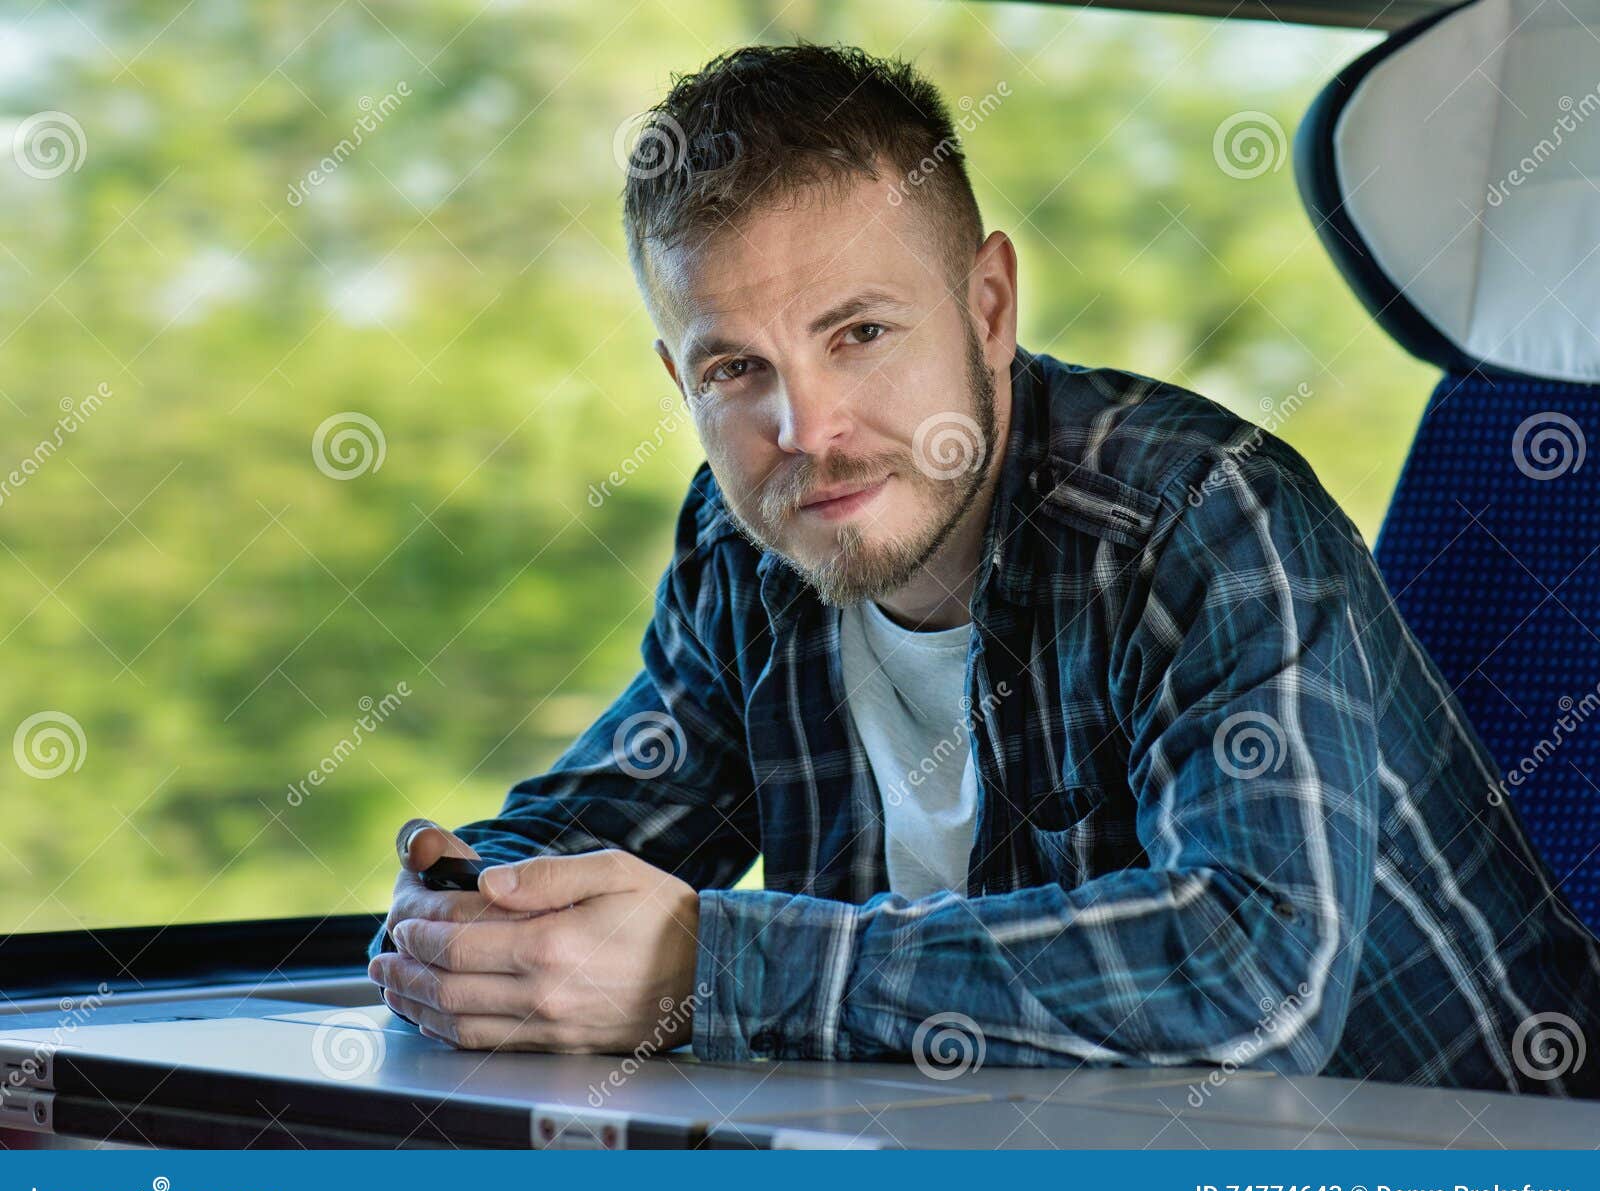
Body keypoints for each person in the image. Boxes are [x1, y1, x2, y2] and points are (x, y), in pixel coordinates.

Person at [368, 42, 1600, 1097]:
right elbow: (618, 813)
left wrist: (707, 968)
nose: (805, 430)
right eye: (733, 369)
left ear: (990, 305)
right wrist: (469, 902)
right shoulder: (754, 539)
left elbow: (1251, 978)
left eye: (858, 333)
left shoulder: (1196, 515)